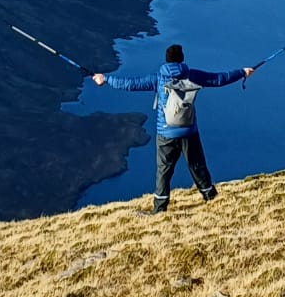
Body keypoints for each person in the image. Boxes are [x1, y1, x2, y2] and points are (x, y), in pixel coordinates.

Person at [92, 44, 254, 214]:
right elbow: (219, 79)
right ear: (182, 59)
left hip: (166, 133)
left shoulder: (158, 78)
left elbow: (130, 84)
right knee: (196, 165)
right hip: (189, 131)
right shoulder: (192, 76)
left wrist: (106, 79)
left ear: (166, 60)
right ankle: (211, 197)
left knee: (164, 170)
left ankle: (160, 209)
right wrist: (243, 72)